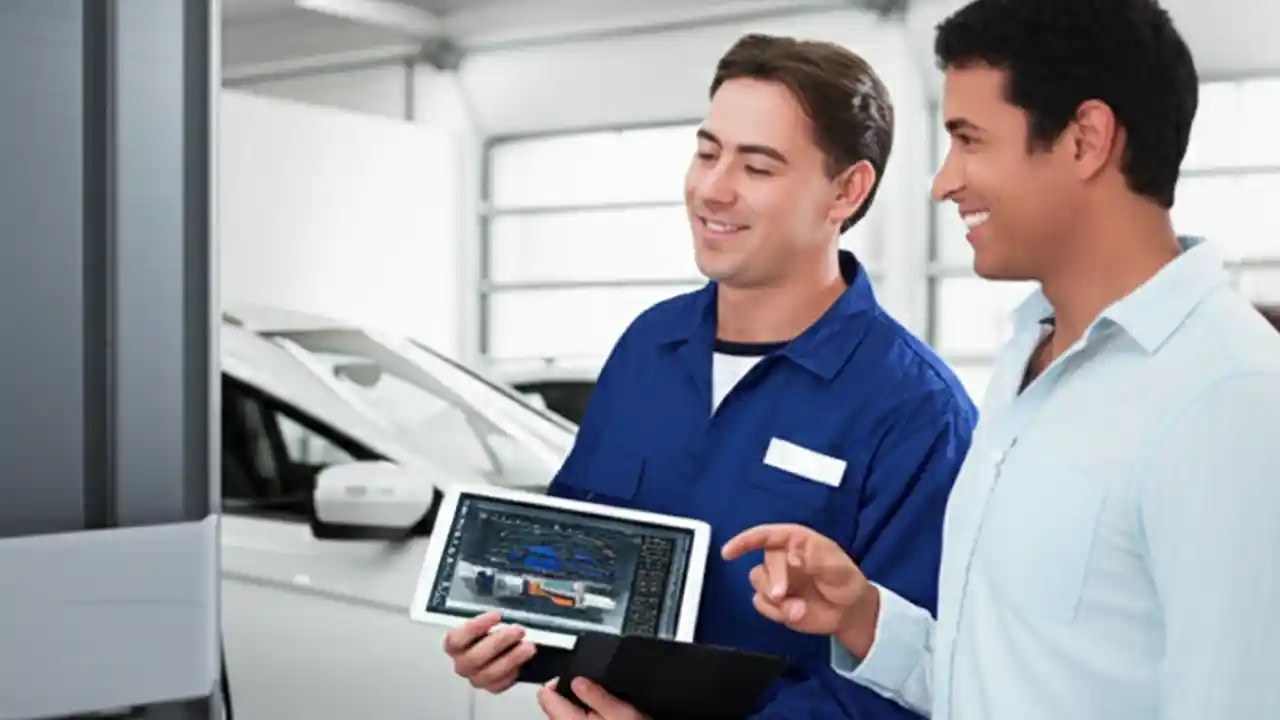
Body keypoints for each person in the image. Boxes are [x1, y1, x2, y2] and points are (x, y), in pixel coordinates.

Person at [725, 1, 1280, 719]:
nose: (943, 181)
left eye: (969, 140)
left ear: (1085, 140)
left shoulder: (1230, 397)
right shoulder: (1031, 357)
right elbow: (1002, 677)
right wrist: (863, 615)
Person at [442, 33, 977, 719]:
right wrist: (509, 640)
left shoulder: (917, 412)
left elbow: (919, 683)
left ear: (847, 189)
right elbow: (571, 564)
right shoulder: (647, 347)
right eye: (706, 152)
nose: (712, 190)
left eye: (757, 167)